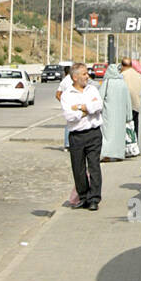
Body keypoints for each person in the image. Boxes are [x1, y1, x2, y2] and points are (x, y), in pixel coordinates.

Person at [61, 63, 103, 210]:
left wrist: (80, 107)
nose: (87, 76)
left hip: (93, 133)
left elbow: (98, 105)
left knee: (94, 167)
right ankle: (83, 197)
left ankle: (94, 199)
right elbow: (69, 116)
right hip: (76, 136)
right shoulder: (67, 94)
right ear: (75, 77)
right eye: (84, 74)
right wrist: (86, 109)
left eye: (87, 73)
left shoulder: (92, 89)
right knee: (78, 168)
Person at [100, 63, 133, 161]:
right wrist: (129, 115)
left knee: (107, 135)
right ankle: (118, 154)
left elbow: (100, 97)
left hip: (108, 114)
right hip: (120, 114)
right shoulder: (123, 83)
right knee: (119, 135)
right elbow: (128, 100)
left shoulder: (107, 82)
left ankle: (106, 154)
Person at [120, 57, 141, 143]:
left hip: (124, 106)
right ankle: (135, 146)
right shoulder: (139, 75)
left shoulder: (121, 76)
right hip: (136, 105)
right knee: (135, 126)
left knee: (124, 128)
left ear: (122, 66)